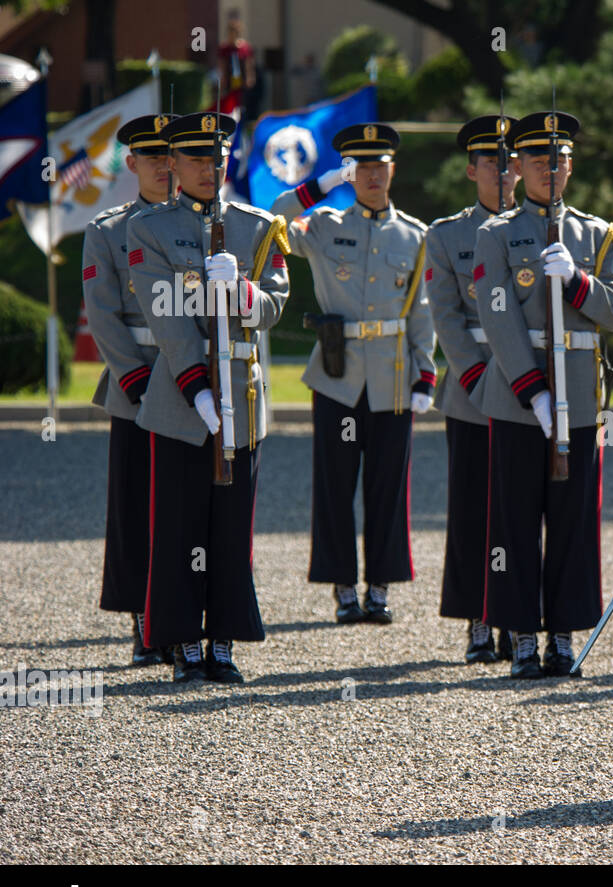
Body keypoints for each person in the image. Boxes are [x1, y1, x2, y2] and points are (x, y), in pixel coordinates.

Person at [126, 110, 290, 683]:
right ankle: (180, 642)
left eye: (216, 156)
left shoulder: (258, 225)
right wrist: (196, 388)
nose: (208, 167)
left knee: (230, 527)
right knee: (178, 526)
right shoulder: (147, 228)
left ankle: (222, 637)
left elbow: (274, 304)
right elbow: (165, 320)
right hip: (179, 400)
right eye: (195, 157)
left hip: (242, 401)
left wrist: (242, 291)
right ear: (172, 163)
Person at [472, 108, 613, 678]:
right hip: (519, 399)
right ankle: (519, 634)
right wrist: (533, 390)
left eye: (559, 158)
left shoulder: (597, 233)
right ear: (516, 165)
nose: (550, 168)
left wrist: (578, 281)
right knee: (514, 520)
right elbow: (497, 318)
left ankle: (562, 633)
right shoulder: (494, 235)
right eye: (538, 158)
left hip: (583, 400)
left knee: (572, 520)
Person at [270, 123, 436, 625]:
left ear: (393, 169)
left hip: (392, 373)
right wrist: (320, 185)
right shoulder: (322, 226)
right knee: (336, 484)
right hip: (337, 373)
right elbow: (273, 219)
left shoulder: (415, 234)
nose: (370, 175)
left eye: (378, 165)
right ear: (350, 172)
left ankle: (380, 586)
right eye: (359, 167)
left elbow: (421, 310)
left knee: (388, 485)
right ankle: (343, 584)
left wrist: (425, 373)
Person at [82, 111, 178, 666]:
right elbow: (104, 315)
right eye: (152, 157)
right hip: (137, 383)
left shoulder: (201, 224)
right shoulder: (108, 230)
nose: (165, 166)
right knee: (137, 505)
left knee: (188, 506)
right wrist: (135, 378)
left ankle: (187, 615)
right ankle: (145, 618)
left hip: (197, 388)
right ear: (132, 163)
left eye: (173, 156)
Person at [426, 114, 520, 663]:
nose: (504, 173)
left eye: (511, 162)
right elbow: (446, 319)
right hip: (476, 388)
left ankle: (516, 619)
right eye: (492, 163)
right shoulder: (447, 236)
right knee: (472, 509)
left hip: (530, 392)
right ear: (471, 170)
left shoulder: (541, 229)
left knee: (520, 509)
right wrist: (480, 378)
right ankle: (477, 620)